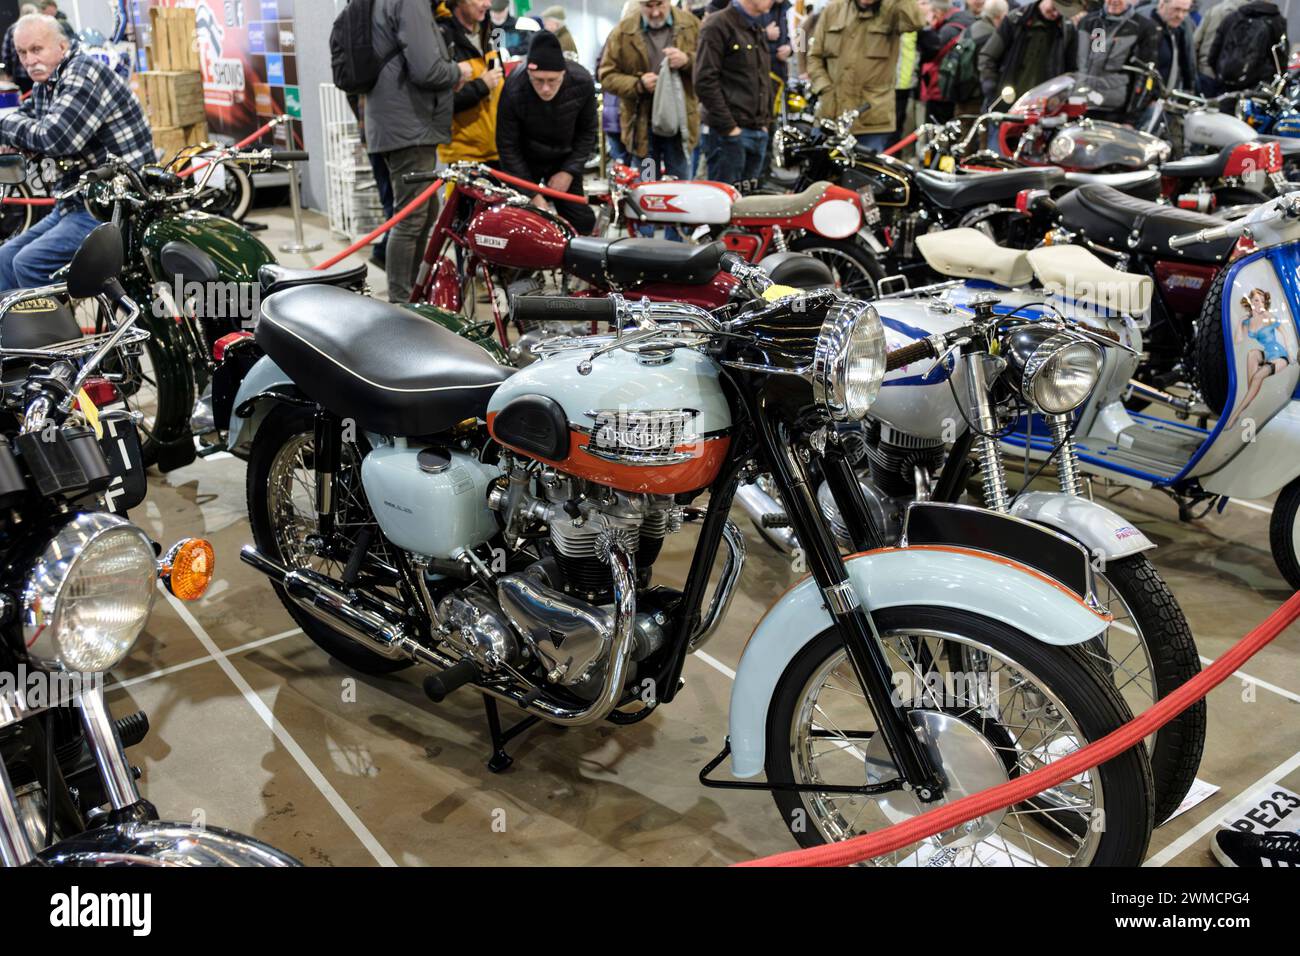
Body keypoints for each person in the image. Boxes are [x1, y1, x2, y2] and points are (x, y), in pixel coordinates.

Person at [0, 14, 153, 291]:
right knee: (4, 259)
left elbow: (54, 137)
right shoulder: (46, 84)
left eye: (36, 49)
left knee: (27, 263)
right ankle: (16, 332)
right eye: (22, 53)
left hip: (114, 207)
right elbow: (28, 120)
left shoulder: (82, 73)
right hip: (74, 203)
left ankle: (53, 334)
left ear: (62, 46)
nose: (28, 60)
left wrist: (7, 124)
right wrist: (17, 129)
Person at [365, 0, 470, 303]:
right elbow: (428, 69)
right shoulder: (410, 3)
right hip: (408, 127)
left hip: (407, 125)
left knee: (424, 214)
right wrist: (457, 70)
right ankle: (402, 302)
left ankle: (411, 293)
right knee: (411, 216)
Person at [496, 31, 598, 233]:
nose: (545, 88)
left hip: (564, 157)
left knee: (582, 222)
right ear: (528, 73)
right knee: (520, 225)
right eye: (538, 80)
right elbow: (507, 146)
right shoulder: (514, 86)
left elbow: (587, 132)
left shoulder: (582, 81)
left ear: (564, 73)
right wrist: (531, 193)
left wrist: (569, 171)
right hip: (525, 161)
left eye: (552, 81)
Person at [599, 0, 701, 181]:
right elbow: (606, 76)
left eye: (659, 5)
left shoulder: (691, 25)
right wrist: (638, 84)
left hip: (679, 124)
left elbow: (709, 65)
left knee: (681, 185)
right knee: (646, 185)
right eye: (648, 6)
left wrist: (687, 60)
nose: (655, 12)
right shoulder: (623, 32)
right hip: (642, 128)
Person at [806, 0, 928, 152]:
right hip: (831, 115)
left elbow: (916, 22)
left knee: (863, 174)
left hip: (872, 120)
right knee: (819, 171)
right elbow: (814, 57)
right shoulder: (833, 11)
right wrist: (824, 87)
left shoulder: (892, 11)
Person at [695, 0, 777, 185]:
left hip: (755, 131)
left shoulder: (756, 26)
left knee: (748, 208)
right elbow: (704, 81)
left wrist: (764, 123)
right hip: (727, 135)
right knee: (723, 207)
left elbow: (762, 77)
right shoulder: (718, 24)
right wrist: (730, 129)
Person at [439, 0, 505, 165]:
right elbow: (440, 102)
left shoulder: (489, 33)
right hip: (463, 157)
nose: (488, 4)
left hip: (499, 150)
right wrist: (481, 86)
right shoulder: (441, 37)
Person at [978, 0, 1077, 109]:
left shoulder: (1067, 30)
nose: (1056, 14)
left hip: (1044, 109)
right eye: (1054, 8)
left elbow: (1071, 71)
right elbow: (987, 57)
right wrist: (991, 88)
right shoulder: (1015, 20)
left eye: (1061, 11)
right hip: (1006, 105)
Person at [1074, 0, 1157, 123]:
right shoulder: (1088, 21)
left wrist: (1131, 119)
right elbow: (1072, 63)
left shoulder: (1143, 27)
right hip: (1079, 103)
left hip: (1114, 111)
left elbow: (1145, 76)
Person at [1208, 0, 1288, 92]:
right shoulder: (1277, 22)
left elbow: (1212, 56)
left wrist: (1223, 74)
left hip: (1226, 86)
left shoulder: (1232, 17)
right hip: (1258, 90)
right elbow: (1281, 61)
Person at [918, 0, 974, 122]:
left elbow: (929, 55)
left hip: (941, 89)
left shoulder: (947, 30)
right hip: (964, 88)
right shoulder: (968, 20)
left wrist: (928, 27)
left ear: (937, 13)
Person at [1137, 0, 1198, 94]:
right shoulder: (1145, 28)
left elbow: (1188, 63)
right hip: (1145, 98)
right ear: (1162, 4)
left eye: (1185, 11)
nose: (1180, 16)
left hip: (1166, 98)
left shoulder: (1178, 31)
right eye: (1176, 9)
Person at [1192, 0, 1244, 95]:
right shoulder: (1250, 16)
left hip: (1206, 71)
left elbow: (1195, 42)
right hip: (1233, 77)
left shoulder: (1213, 11)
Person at [1, 4, 40, 93]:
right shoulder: (38, 28)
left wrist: (8, 72)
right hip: (37, 70)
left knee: (25, 98)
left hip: (19, 75)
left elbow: (6, 54)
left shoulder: (11, 29)